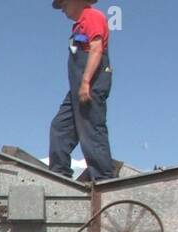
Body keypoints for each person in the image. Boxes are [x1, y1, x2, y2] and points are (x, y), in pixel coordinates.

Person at [49, 0, 115, 182]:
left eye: (63, 5)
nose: (62, 10)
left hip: (91, 83)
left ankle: (103, 179)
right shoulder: (77, 27)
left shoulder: (92, 16)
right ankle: (58, 175)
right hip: (77, 88)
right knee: (60, 127)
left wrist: (86, 82)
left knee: (91, 129)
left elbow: (96, 49)